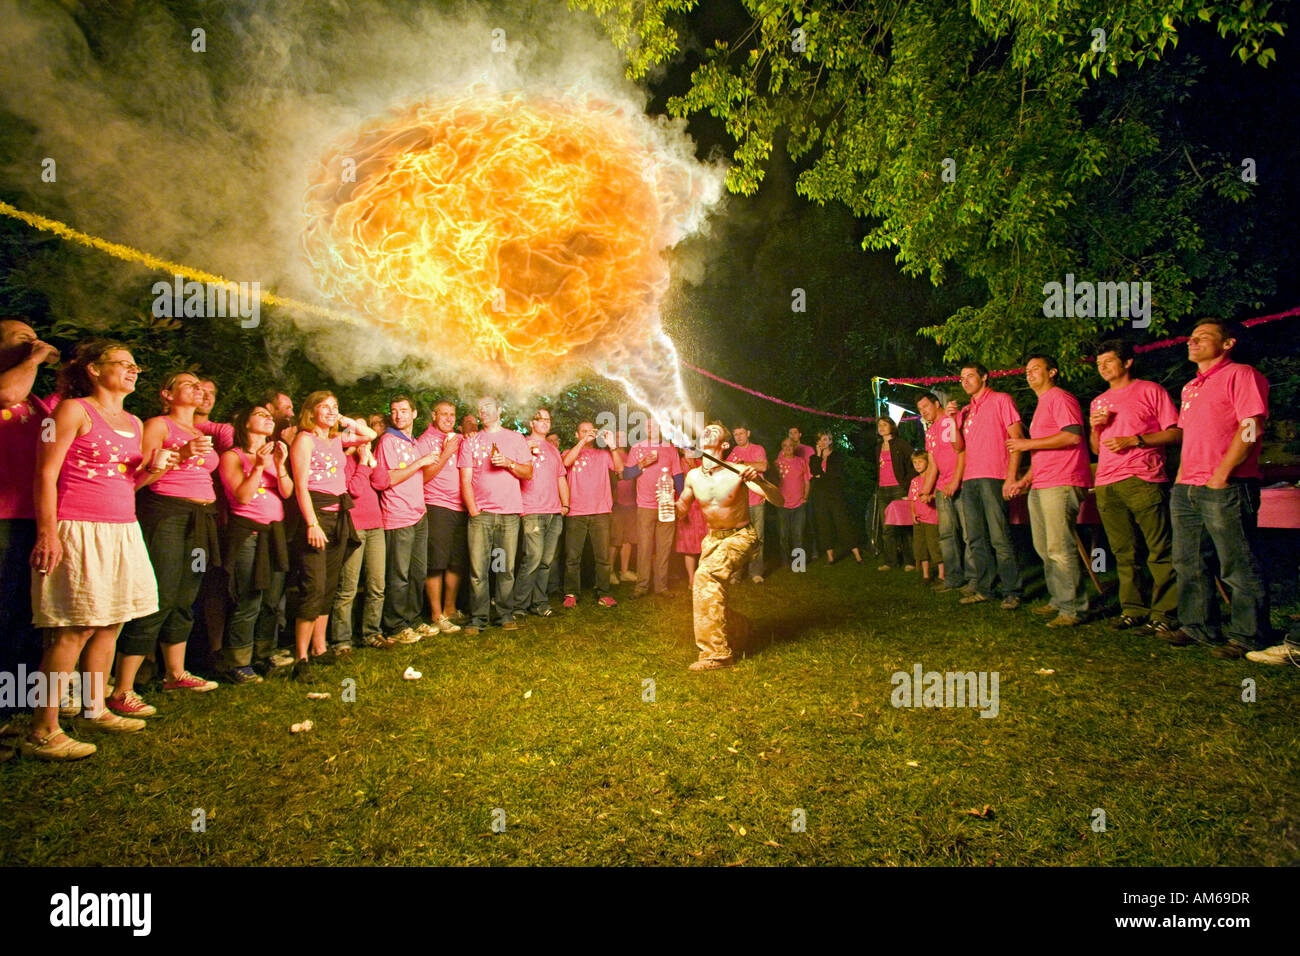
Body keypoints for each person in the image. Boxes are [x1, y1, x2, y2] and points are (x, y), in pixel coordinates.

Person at [25, 341, 164, 758]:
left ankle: (95, 707)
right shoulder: (73, 410)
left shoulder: (134, 422)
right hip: (77, 527)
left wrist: (153, 472)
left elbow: (128, 483)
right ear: (93, 369)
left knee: (112, 621)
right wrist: (47, 533)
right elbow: (44, 474)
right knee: (74, 628)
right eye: (122, 363)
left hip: (122, 528)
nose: (132, 370)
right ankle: (43, 730)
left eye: (134, 364)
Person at [111, 371, 223, 715]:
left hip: (201, 521)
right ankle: (123, 687)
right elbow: (141, 474)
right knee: (160, 592)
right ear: (167, 394)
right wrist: (181, 451)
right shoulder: (159, 425)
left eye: (201, 385)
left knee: (187, 593)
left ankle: (175, 672)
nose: (198, 388)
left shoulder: (200, 431)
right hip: (168, 516)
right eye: (188, 384)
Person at [1165, 320, 1272, 660]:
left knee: (1236, 561)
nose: (1192, 341)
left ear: (1228, 343)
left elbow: (1252, 426)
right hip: (1188, 487)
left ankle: (1248, 634)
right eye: (1191, 337)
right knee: (1188, 560)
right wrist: (1181, 478)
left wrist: (1223, 473)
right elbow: (1191, 437)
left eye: (1204, 337)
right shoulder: (1189, 388)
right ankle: (1197, 625)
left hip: (1225, 485)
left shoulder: (1242, 375)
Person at [1088, 340, 1181, 635]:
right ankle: (1133, 609)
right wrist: (1096, 428)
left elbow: (1176, 432)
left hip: (1143, 477)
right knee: (1123, 551)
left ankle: (1165, 612)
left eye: (1109, 362)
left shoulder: (1150, 391)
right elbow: (1095, 448)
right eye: (1099, 363)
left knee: (1159, 547)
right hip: (1106, 482)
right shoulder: (1098, 401)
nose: (1102, 367)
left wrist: (1136, 440)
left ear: (1127, 362)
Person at [677, 421, 783, 671]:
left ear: (725, 444)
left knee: (705, 577)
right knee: (708, 591)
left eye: (715, 431)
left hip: (740, 537)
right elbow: (682, 508)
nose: (708, 431)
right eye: (706, 430)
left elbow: (779, 500)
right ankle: (740, 627)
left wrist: (762, 481)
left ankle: (717, 655)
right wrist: (671, 507)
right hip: (712, 540)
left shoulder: (738, 470)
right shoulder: (693, 476)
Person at [288, 392, 376, 681]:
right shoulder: (304, 439)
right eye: (324, 407)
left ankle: (320, 647)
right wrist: (311, 523)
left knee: (328, 584)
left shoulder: (337, 439)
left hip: (339, 516)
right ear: (310, 411)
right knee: (313, 585)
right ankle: (300, 658)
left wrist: (344, 419)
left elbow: (370, 433)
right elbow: (300, 487)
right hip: (317, 515)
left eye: (334, 406)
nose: (330, 411)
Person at [0, 318, 59, 719]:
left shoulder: (36, 399)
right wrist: (38, 355)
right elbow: (6, 393)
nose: (33, 342)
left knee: (24, 612)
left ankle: (15, 705)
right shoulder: (11, 386)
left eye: (34, 338)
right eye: (22, 338)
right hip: (2, 518)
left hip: (30, 518)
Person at [1006, 356, 1093, 627]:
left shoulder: (1060, 398)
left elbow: (1072, 436)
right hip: (1042, 481)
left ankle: (1073, 607)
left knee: (1059, 545)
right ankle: (1058, 598)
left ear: (1052, 372)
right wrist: (1026, 479)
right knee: (1043, 546)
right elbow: (1042, 451)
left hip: (1062, 480)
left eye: (1036, 369)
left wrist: (1026, 444)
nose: (1030, 374)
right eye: (1027, 371)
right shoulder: (1043, 403)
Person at [217, 405, 293, 682]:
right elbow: (242, 497)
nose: (268, 418)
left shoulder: (275, 455)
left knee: (272, 599)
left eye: (269, 416)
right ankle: (238, 662)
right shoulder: (231, 456)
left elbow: (286, 492)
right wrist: (259, 467)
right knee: (249, 598)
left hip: (274, 533)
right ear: (244, 422)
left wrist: (280, 466)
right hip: (248, 534)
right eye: (261, 414)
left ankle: (264, 654)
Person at [953, 363, 1025, 609]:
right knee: (975, 537)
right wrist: (954, 420)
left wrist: (1011, 476)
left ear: (984, 377)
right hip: (970, 479)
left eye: (970, 376)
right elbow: (958, 447)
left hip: (994, 475)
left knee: (999, 536)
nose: (965, 381)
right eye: (962, 378)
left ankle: (1012, 590)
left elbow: (1016, 438)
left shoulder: (1001, 400)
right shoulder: (966, 410)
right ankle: (985, 588)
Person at [457, 396, 531, 633]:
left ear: (499, 410)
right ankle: (478, 618)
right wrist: (473, 510)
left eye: (489, 407)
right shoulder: (471, 442)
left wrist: (508, 463)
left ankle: (504, 614)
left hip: (509, 514)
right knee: (479, 569)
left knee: (504, 568)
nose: (484, 411)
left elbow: (528, 472)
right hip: (482, 515)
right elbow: (465, 480)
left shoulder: (515, 438)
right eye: (480, 408)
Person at [374, 396, 437, 645]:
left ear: (413, 414)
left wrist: (439, 456)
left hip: (419, 513)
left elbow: (424, 475)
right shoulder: (387, 441)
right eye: (394, 411)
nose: (398, 415)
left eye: (403, 411)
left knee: (417, 572)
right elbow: (388, 478)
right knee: (398, 575)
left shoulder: (413, 442)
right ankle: (394, 624)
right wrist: (419, 462)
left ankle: (412, 618)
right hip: (397, 514)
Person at [332, 415, 392, 651]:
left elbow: (383, 482)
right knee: (348, 587)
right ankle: (341, 640)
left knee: (377, 584)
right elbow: (354, 490)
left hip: (376, 525)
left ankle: (371, 633)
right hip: (354, 527)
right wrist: (362, 464)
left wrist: (371, 462)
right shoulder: (341, 460)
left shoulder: (369, 456)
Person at [513, 408, 568, 619]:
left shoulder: (553, 449)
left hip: (554, 512)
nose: (545, 422)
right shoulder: (521, 444)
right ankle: (518, 605)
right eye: (540, 419)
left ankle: (539, 602)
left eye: (547, 419)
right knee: (532, 558)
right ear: (531, 423)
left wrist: (566, 505)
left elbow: (560, 478)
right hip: (532, 510)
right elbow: (513, 471)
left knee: (546, 561)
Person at [561, 421, 623, 608]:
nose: (588, 434)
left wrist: (612, 446)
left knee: (602, 557)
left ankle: (604, 593)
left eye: (591, 431)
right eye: (583, 431)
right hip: (576, 512)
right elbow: (565, 463)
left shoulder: (603, 455)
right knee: (573, 557)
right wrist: (582, 443)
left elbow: (620, 468)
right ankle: (571, 593)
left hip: (600, 511)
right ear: (577, 434)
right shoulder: (568, 452)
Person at [419, 401, 467, 632]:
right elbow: (423, 477)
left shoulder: (459, 439)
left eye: (452, 415)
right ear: (434, 415)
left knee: (456, 562)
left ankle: (450, 609)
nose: (448, 419)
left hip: (460, 508)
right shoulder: (425, 441)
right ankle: (436, 614)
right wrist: (447, 452)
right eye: (444, 414)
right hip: (437, 505)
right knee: (436, 563)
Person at [916, 392, 968, 593]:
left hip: (960, 484)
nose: (923, 412)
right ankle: (953, 577)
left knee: (968, 533)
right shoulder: (930, 432)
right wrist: (925, 490)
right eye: (920, 409)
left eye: (926, 406)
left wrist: (956, 480)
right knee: (946, 534)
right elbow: (933, 463)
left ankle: (973, 578)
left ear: (937, 403)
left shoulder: (949, 421)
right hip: (941, 487)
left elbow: (961, 452)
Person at [627, 419, 682, 597]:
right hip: (645, 506)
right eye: (648, 425)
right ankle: (641, 586)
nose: (652, 428)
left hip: (666, 505)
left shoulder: (670, 448)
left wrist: (680, 501)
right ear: (644, 428)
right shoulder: (637, 448)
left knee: (664, 548)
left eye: (656, 425)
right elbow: (627, 474)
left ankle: (661, 587)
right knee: (644, 547)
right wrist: (642, 463)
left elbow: (679, 476)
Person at [808, 431, 862, 564]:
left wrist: (821, 476)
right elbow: (814, 472)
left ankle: (857, 555)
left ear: (830, 441)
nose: (823, 442)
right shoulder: (814, 458)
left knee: (843, 523)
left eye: (825, 439)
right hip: (820, 496)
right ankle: (830, 557)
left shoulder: (837, 456)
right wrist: (819, 456)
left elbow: (835, 474)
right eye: (820, 440)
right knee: (824, 524)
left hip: (835, 494)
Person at [726, 423, 769, 582]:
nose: (739, 437)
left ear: (748, 433)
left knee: (758, 537)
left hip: (757, 499)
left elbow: (763, 466)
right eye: (736, 434)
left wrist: (741, 464)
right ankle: (737, 573)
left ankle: (756, 572)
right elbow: (728, 470)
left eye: (741, 433)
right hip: (740, 503)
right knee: (739, 538)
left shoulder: (758, 449)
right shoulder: (733, 452)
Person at [873, 417, 916, 571]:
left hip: (898, 489)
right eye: (879, 425)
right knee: (887, 528)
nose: (881, 427)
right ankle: (890, 562)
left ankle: (910, 561)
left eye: (885, 424)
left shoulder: (900, 444)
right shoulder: (878, 447)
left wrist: (905, 482)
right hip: (883, 490)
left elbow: (914, 461)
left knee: (903, 525)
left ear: (892, 426)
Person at [774, 437, 810, 570]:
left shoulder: (801, 462)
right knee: (783, 535)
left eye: (790, 445)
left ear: (794, 447)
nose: (788, 448)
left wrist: (805, 498)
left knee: (798, 534)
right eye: (785, 446)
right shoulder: (777, 463)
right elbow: (772, 484)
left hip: (799, 504)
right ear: (782, 447)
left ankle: (798, 563)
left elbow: (807, 482)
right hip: (783, 505)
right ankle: (785, 561)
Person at [675, 446, 709, 586]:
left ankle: (703, 577)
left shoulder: (701, 463)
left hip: (702, 507)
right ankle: (691, 579)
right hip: (688, 508)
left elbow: (707, 482)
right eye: (685, 448)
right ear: (681, 450)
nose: (689, 450)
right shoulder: (679, 463)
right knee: (689, 545)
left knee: (704, 543)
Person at [608, 432, 638, 584]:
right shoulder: (611, 455)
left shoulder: (631, 454)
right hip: (617, 503)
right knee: (615, 539)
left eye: (623, 437)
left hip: (632, 502)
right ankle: (610, 572)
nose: (621, 439)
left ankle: (624, 571)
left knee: (629, 539)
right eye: (617, 437)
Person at [908, 451, 942, 583]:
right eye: (915, 463)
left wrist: (930, 497)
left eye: (920, 462)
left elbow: (937, 495)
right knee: (920, 547)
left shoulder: (932, 479)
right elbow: (912, 499)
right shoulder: (914, 481)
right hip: (919, 519)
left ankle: (941, 574)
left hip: (932, 518)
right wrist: (913, 513)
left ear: (928, 462)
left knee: (935, 546)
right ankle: (926, 575)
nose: (917, 465)